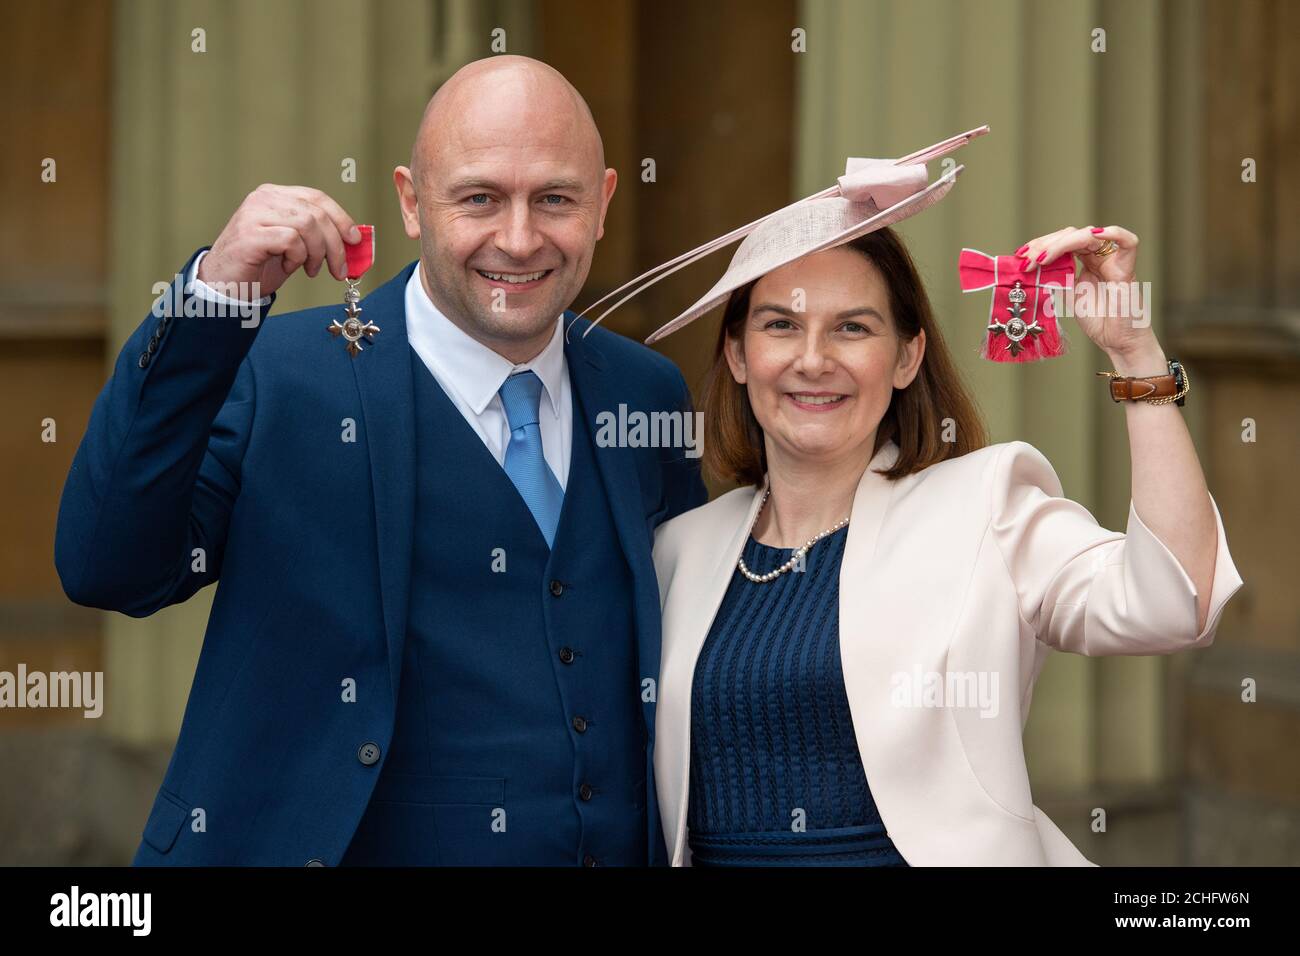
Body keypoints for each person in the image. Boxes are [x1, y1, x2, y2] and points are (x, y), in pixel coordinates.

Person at [55, 55, 706, 866]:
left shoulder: (645, 394)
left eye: (555, 199)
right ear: (410, 201)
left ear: (604, 202)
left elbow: (699, 639)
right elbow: (106, 567)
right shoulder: (283, 375)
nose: (518, 236)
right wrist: (212, 301)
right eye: (478, 197)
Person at [648, 199, 1244, 865]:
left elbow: (1176, 602)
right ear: (737, 353)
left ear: (907, 358)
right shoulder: (678, 550)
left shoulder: (983, 505)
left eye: (852, 328)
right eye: (781, 325)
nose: (812, 360)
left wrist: (1135, 352)